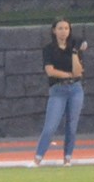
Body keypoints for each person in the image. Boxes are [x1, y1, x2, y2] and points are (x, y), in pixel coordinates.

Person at [33, 18, 85, 165]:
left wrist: (75, 52)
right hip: (58, 90)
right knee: (50, 126)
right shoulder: (49, 49)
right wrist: (67, 75)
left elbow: (78, 72)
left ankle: (68, 158)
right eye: (60, 28)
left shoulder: (74, 48)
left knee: (72, 125)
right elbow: (50, 71)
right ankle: (38, 158)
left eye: (66, 29)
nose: (63, 32)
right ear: (54, 30)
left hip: (75, 89)